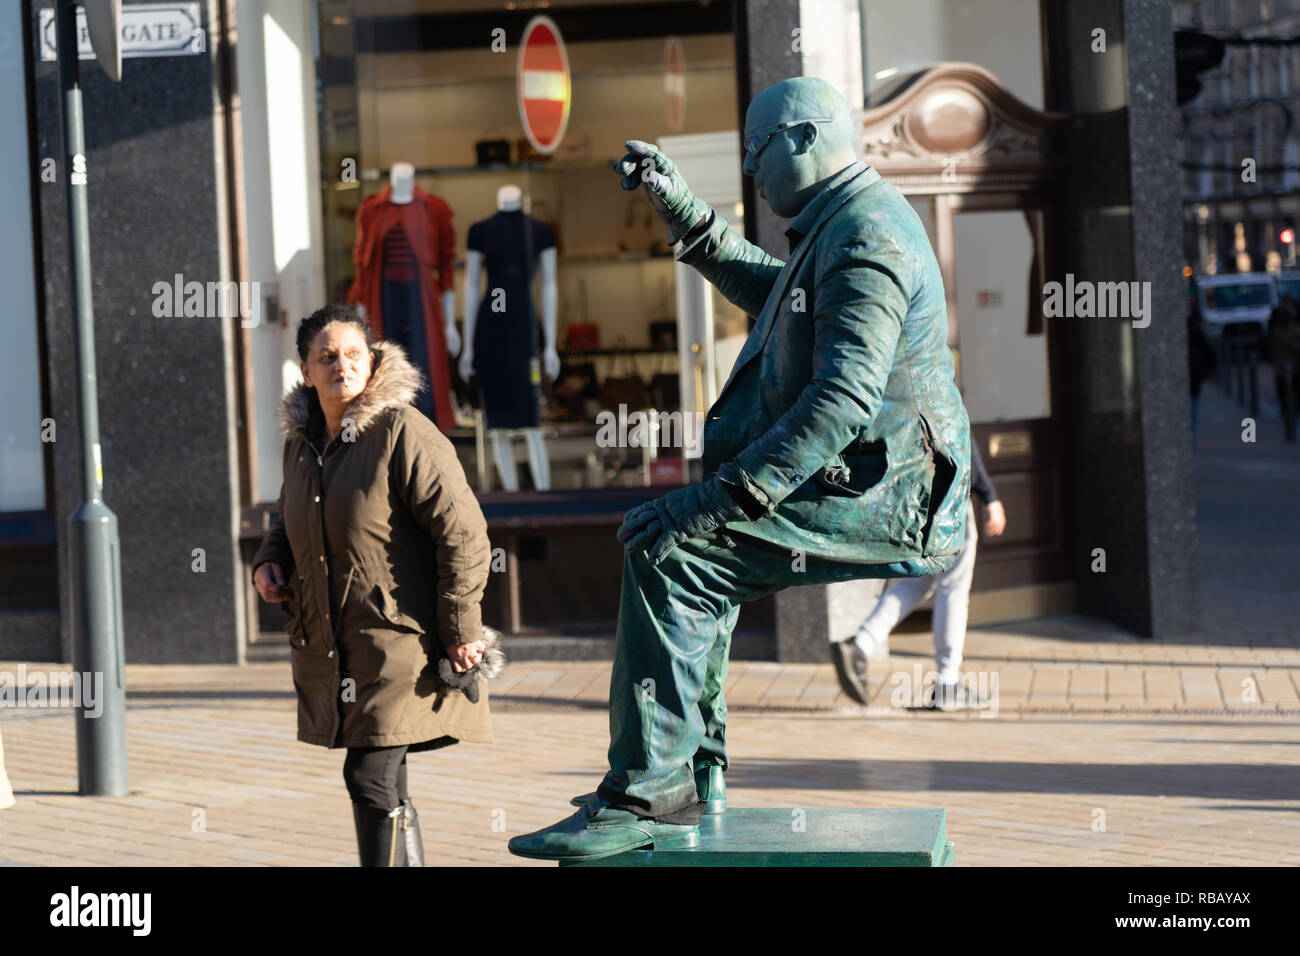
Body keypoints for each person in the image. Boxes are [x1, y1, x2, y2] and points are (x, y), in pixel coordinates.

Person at [507, 76, 970, 863]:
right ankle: (694, 771)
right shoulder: (843, 222)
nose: (752, 169)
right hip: (871, 474)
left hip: (887, 491)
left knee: (675, 553)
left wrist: (718, 500)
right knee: (698, 557)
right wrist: (684, 213)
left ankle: (650, 795)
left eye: (757, 149)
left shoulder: (867, 237)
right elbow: (775, 291)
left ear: (803, 137)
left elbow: (841, 401)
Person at [251, 304, 494, 867]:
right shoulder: (302, 445)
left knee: (369, 775)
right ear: (306, 371)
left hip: (402, 644)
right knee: (385, 779)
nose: (342, 365)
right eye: (327, 357)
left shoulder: (402, 432)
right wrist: (270, 559)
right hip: (337, 647)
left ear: (373, 361)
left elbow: (464, 534)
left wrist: (463, 630)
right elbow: (289, 518)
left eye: (354, 353)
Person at [831, 441, 1004, 711]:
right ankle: (947, 682)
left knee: (918, 583)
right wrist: (989, 495)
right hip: (949, 498)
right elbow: (962, 440)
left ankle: (860, 645)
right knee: (953, 587)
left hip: (912, 497)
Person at [1187, 305, 1215, 442]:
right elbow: (1211, 356)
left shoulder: (1194, 334)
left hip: (1192, 381)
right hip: (1194, 383)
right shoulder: (1198, 334)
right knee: (1192, 421)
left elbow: (1210, 356)